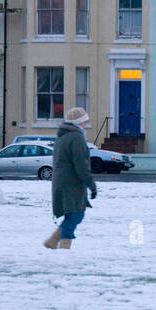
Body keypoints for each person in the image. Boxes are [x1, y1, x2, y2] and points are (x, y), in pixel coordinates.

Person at [45, 106, 96, 250]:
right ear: (78, 123)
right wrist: (91, 185)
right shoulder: (76, 137)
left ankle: (53, 241)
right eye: (84, 122)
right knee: (75, 215)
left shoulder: (62, 137)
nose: (86, 124)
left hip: (62, 182)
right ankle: (64, 247)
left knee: (72, 214)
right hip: (72, 183)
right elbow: (81, 164)